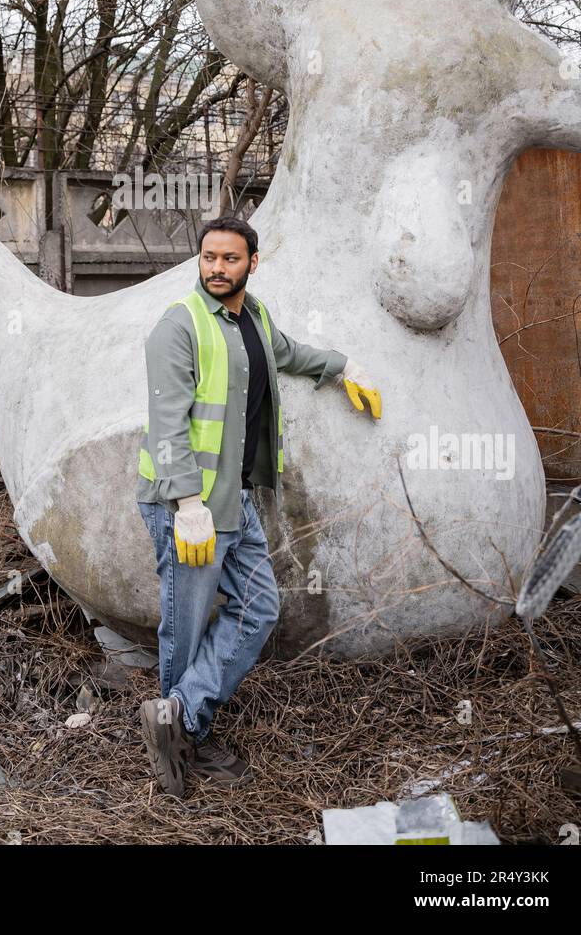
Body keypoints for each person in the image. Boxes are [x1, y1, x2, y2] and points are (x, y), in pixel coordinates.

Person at [136, 214, 381, 796]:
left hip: (234, 498)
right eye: (208, 258)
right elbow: (166, 423)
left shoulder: (254, 316)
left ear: (252, 261)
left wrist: (342, 367)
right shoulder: (179, 327)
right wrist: (186, 502)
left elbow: (286, 353)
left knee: (259, 607)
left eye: (229, 259)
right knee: (186, 629)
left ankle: (182, 714)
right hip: (189, 506)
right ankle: (181, 747)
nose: (217, 269)